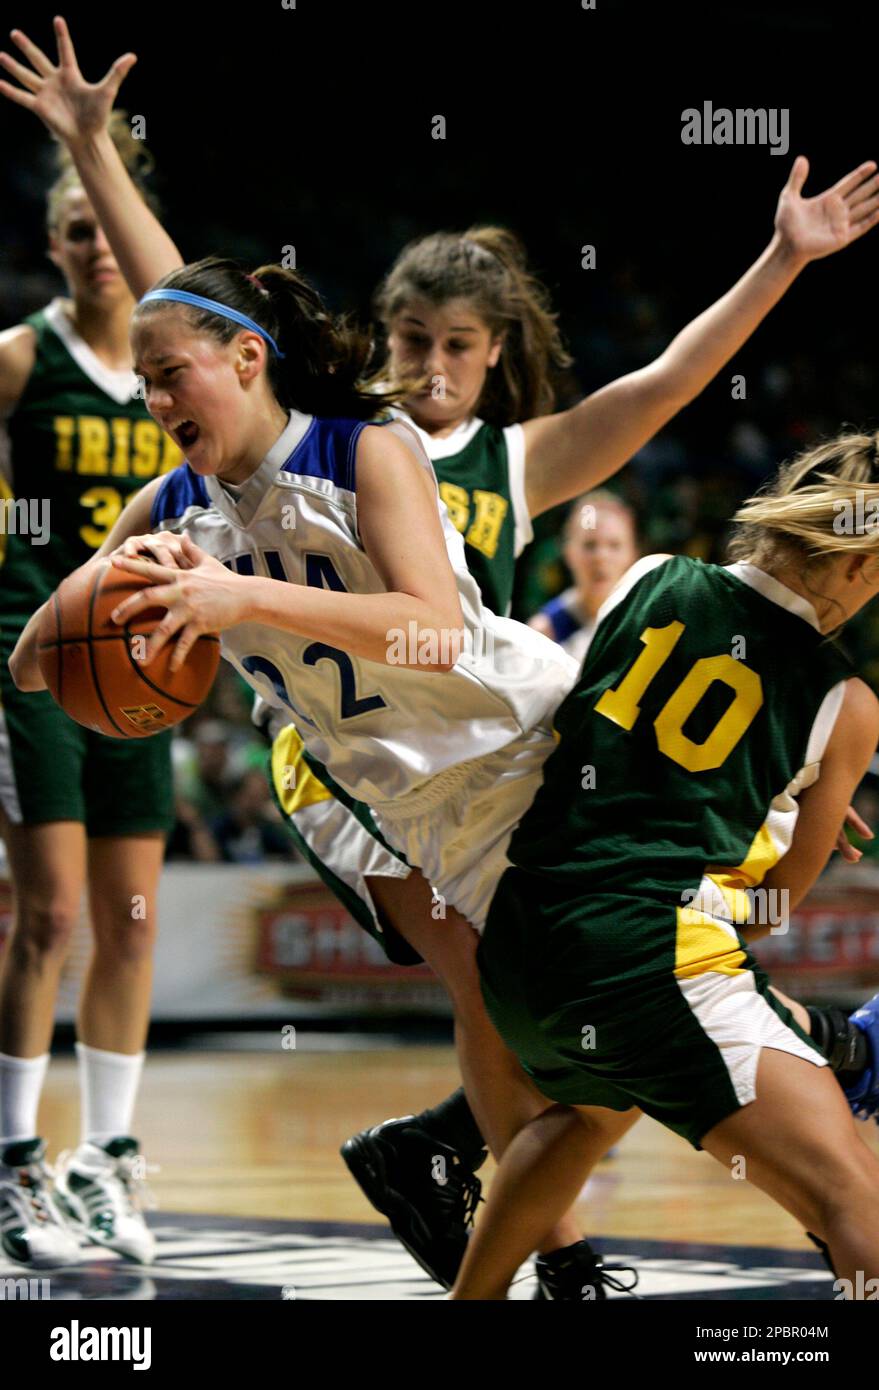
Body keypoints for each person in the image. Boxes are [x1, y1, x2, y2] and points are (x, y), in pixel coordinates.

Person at [4, 16, 879, 1296]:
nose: (426, 366)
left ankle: (774, 1100)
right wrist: (88, 611)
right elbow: (171, 341)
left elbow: (449, 610)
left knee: (623, 979)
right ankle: (755, 1102)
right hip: (425, 808)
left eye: (453, 346)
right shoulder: (181, 501)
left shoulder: (390, 450)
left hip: (547, 736)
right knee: (564, 1004)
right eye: (409, 342)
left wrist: (779, 260)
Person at [451, 432, 879, 1298]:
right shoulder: (843, 699)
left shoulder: (649, 578)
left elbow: (596, 737)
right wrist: (747, 884)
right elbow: (775, 906)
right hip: (651, 954)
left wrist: (747, 797)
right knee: (851, 1194)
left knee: (588, 1115)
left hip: (522, 942)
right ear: (853, 560)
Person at [0, 115, 179, 1268]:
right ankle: (13, 1163)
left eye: (107, 230)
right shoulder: (20, 357)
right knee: (52, 912)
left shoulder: (176, 375)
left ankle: (105, 1159)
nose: (97, 249)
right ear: (57, 243)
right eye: (75, 233)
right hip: (34, 654)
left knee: (129, 918)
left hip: (147, 665)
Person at [529, 489, 639, 662]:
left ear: (632, 554)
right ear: (568, 552)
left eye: (614, 545)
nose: (601, 557)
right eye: (590, 545)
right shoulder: (544, 632)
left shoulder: (648, 623)